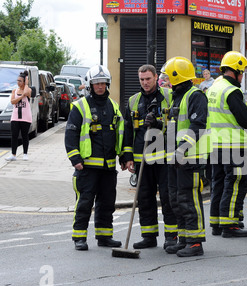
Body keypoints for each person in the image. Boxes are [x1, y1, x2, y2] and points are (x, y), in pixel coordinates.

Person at [65, 65, 133, 251]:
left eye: (103, 83)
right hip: (86, 167)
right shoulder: (80, 106)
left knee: (107, 203)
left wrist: (125, 157)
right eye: (96, 83)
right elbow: (71, 134)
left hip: (108, 167)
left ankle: (104, 236)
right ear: (90, 84)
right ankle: (79, 237)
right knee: (85, 203)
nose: (100, 86)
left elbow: (122, 133)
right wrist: (75, 159)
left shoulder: (114, 107)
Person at [124, 64, 177, 250]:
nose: (145, 83)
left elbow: (176, 126)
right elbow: (128, 131)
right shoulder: (133, 101)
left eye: (148, 79)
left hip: (164, 158)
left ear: (156, 77)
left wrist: (158, 123)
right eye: (141, 79)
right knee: (145, 199)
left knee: (168, 198)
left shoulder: (169, 97)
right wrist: (127, 156)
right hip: (141, 159)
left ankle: (171, 236)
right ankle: (148, 236)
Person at [161, 56, 208, 257]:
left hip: (190, 158)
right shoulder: (176, 97)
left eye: (168, 78)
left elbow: (197, 126)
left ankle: (195, 242)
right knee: (176, 200)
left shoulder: (195, 96)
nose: (165, 82)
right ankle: (184, 238)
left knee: (190, 200)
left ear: (177, 77)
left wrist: (181, 149)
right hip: (175, 159)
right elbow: (172, 127)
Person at [207, 51, 247, 238]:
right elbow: (246, 121)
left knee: (218, 182)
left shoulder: (213, 87)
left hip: (215, 144)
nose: (242, 77)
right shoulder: (232, 91)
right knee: (234, 183)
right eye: (241, 72)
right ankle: (230, 224)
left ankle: (217, 222)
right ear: (234, 71)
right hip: (233, 144)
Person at [6, 70, 32, 161]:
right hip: (15, 116)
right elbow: (13, 101)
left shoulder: (28, 89)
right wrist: (21, 97)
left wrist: (27, 83)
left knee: (25, 135)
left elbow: (26, 93)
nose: (18, 82)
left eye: (20, 81)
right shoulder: (14, 91)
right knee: (14, 135)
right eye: (17, 80)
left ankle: (25, 153)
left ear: (24, 82)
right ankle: (13, 154)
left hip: (25, 116)